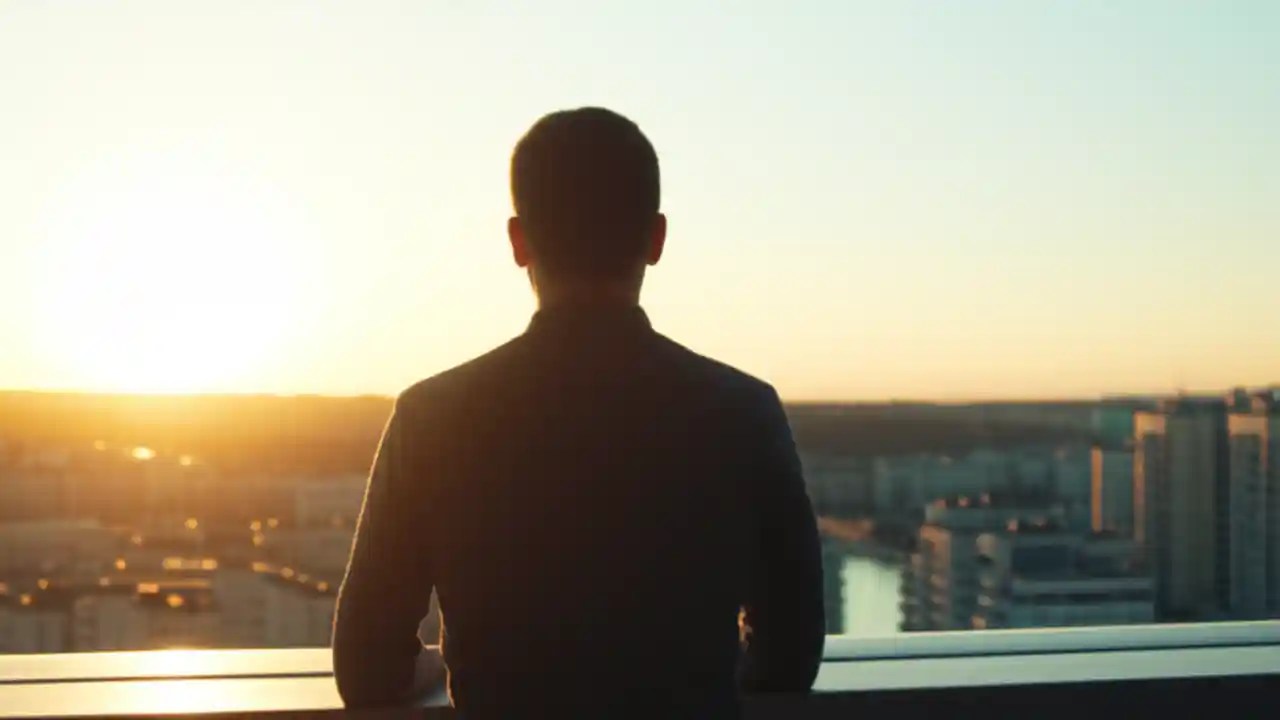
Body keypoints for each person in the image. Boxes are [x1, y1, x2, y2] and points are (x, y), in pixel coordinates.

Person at [332, 107, 824, 718]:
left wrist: (443, 666)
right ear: (656, 238)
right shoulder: (744, 412)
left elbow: (365, 671)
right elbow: (791, 655)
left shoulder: (432, 417)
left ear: (518, 242)